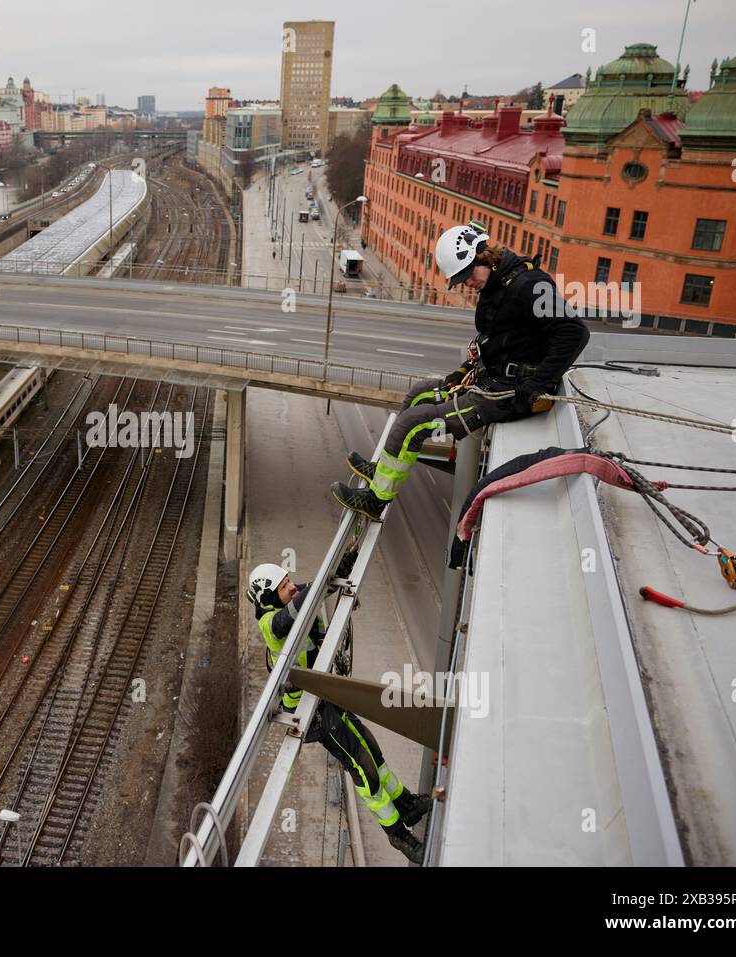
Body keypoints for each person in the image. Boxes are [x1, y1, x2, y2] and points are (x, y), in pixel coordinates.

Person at [332, 222, 589, 521]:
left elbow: (574, 332)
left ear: (483, 256)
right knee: (419, 394)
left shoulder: (530, 286)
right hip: (490, 380)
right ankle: (382, 471)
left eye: (467, 275)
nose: (467, 283)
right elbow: (496, 342)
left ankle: (376, 500)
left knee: (413, 423)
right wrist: (463, 370)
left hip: (508, 394)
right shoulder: (499, 285)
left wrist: (537, 384)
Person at [247, 549, 432, 864]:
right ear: (269, 598)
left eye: (289, 580)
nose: (291, 586)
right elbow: (301, 602)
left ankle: (406, 802)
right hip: (313, 713)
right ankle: (397, 833)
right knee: (363, 769)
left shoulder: (287, 602)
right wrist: (323, 581)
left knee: (371, 750)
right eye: (283, 586)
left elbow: (311, 590)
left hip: (327, 696)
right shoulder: (271, 623)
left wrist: (336, 570)